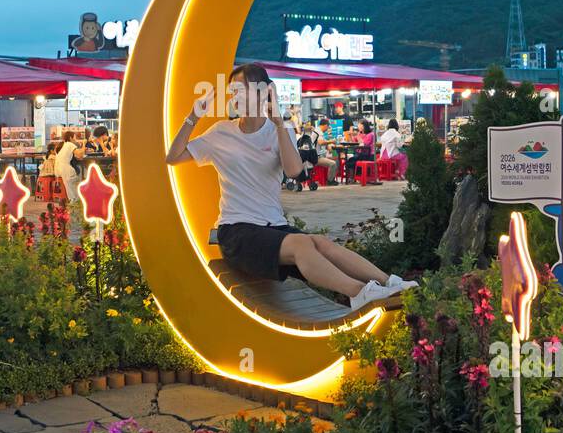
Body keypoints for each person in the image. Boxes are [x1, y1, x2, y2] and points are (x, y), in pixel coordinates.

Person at [166, 62, 414, 310]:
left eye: (241, 90)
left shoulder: (279, 131)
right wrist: (193, 117)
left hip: (274, 226)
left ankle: (388, 282)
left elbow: (294, 171)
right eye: (232, 92)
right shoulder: (221, 132)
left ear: (264, 92)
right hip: (237, 230)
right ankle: (359, 292)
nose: (235, 97)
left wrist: (278, 124)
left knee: (320, 243)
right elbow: (173, 157)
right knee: (302, 243)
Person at [312, 117, 339, 182]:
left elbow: (322, 143)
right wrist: (331, 141)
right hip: (316, 158)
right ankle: (330, 181)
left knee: (336, 159)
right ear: (325, 125)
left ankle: (332, 178)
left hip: (319, 155)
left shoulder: (317, 130)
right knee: (333, 163)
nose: (327, 129)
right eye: (327, 127)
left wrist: (329, 145)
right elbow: (321, 142)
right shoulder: (318, 132)